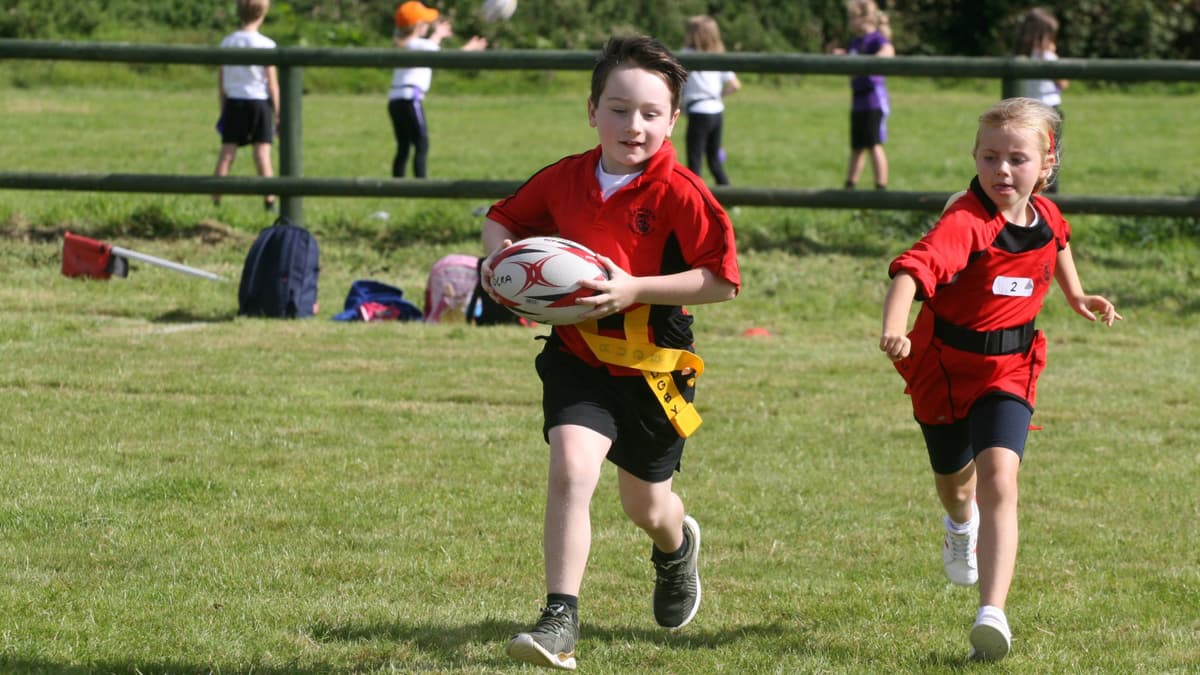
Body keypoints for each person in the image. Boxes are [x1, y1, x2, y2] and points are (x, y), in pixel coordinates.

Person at [479, 35, 741, 671]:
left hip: (653, 365)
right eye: (619, 109)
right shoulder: (565, 177)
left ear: (674, 120)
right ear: (592, 110)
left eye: (651, 113)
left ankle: (675, 547)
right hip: (577, 356)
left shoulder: (683, 192)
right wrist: (497, 266)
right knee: (572, 468)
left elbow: (721, 279)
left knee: (644, 505)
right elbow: (503, 218)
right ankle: (561, 617)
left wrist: (634, 289)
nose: (634, 125)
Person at [879, 97, 1122, 661]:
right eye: (990, 158)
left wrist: (1077, 294)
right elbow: (910, 273)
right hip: (942, 367)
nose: (1003, 171)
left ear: (1046, 163)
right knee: (955, 483)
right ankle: (959, 525)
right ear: (975, 157)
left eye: (1017, 158)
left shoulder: (1046, 215)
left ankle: (992, 612)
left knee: (1000, 479)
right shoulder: (966, 222)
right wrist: (895, 327)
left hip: (1012, 368)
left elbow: (1056, 244)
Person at [388, 1, 487, 178]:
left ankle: (396, 183)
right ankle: (422, 183)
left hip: (395, 99)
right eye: (426, 22)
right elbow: (443, 56)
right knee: (422, 143)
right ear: (418, 26)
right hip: (411, 99)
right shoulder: (418, 44)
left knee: (404, 145)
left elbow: (432, 49)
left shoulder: (405, 45)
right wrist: (466, 46)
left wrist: (438, 36)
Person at [212, 0, 280, 211]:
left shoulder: (227, 43)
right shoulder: (267, 45)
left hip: (234, 102)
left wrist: (223, 109)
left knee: (227, 153)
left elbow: (222, 82)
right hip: (259, 102)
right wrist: (279, 112)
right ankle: (269, 201)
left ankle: (216, 199)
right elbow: (272, 84)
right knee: (262, 154)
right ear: (263, 13)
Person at [829, 0, 894, 190]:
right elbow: (851, 57)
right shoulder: (856, 42)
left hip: (874, 99)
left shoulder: (876, 38)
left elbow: (888, 51)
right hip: (858, 100)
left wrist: (869, 63)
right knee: (857, 146)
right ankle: (850, 186)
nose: (849, 22)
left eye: (852, 18)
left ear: (865, 18)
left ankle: (881, 186)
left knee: (874, 144)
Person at [681, 15, 741, 185]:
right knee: (714, 160)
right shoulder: (719, 55)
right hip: (716, 111)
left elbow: (679, 81)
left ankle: (696, 203)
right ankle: (731, 197)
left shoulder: (687, 55)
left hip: (699, 112)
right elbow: (735, 85)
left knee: (694, 162)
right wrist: (717, 96)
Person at [1014, 7, 1069, 193]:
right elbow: (1063, 83)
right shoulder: (1048, 57)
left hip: (1026, 111)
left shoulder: (1020, 56)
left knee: (1028, 153)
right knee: (1051, 154)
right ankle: (1050, 193)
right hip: (1049, 110)